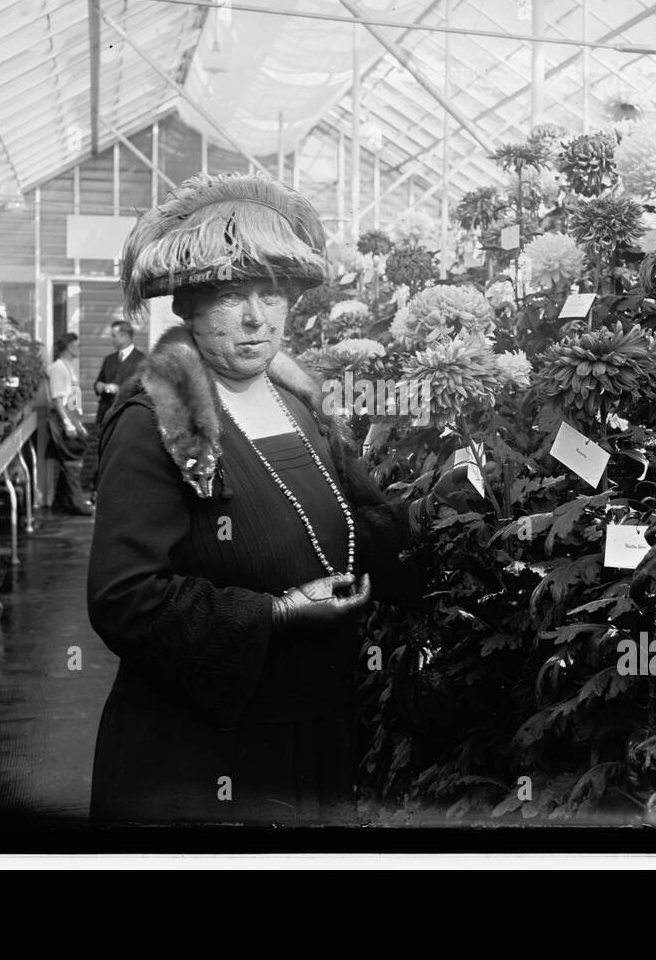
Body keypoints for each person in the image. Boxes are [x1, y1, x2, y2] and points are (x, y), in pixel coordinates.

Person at [87, 173, 469, 825]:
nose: (256, 318)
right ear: (188, 307)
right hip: (202, 753)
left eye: (270, 294)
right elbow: (123, 595)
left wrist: (453, 509)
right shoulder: (160, 415)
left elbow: (354, 525)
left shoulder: (298, 401)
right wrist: (275, 614)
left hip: (313, 731)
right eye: (232, 296)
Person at [46, 335, 95, 517]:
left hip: (72, 416)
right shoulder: (58, 368)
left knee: (69, 460)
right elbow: (58, 400)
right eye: (75, 345)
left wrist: (78, 422)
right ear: (67, 347)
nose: (78, 348)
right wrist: (67, 423)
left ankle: (62, 501)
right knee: (72, 461)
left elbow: (72, 399)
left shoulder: (69, 368)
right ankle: (77, 503)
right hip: (62, 418)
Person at [93, 320, 146, 423]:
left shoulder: (142, 360)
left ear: (124, 336)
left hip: (128, 417)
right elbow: (99, 381)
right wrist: (98, 385)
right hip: (105, 416)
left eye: (114, 336)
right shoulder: (109, 359)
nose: (111, 339)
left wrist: (119, 389)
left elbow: (143, 390)